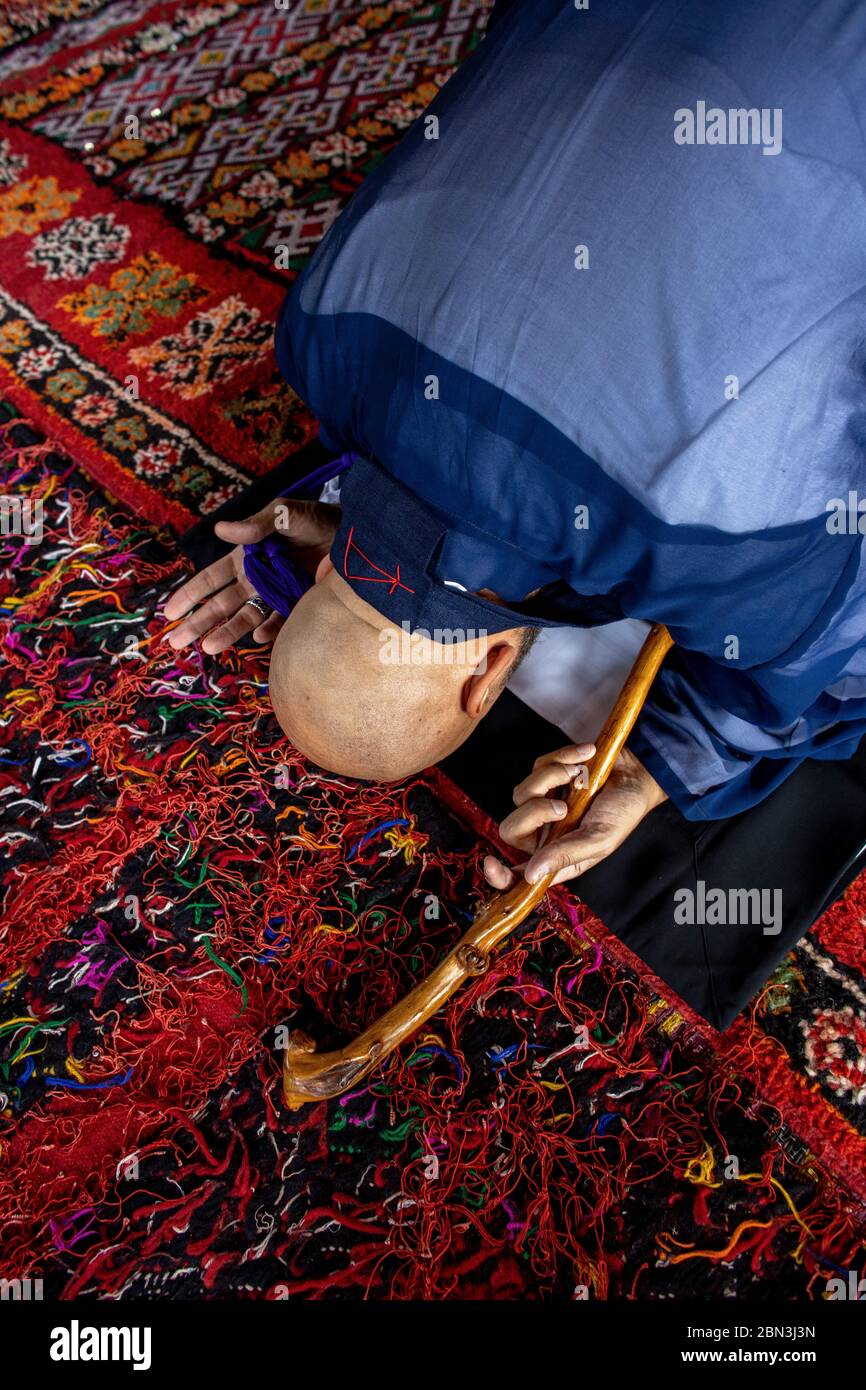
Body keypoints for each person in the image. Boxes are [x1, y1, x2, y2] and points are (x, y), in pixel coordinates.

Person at [164, 0, 866, 981]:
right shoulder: (314, 336)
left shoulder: (701, 540)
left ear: (485, 677)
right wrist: (369, 533)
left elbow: (836, 658)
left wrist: (659, 769)